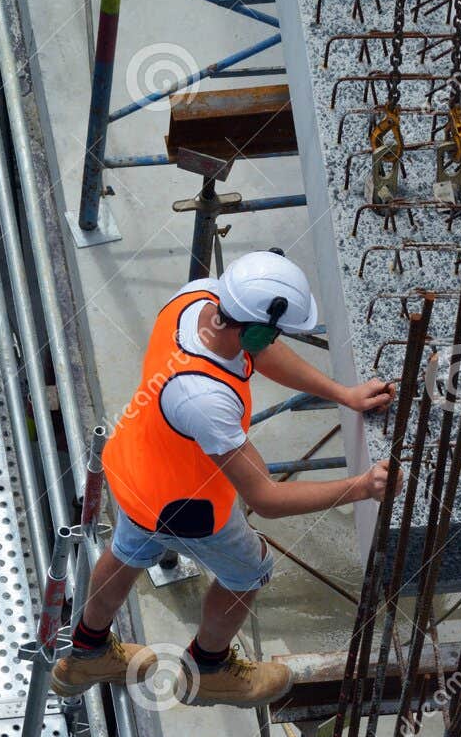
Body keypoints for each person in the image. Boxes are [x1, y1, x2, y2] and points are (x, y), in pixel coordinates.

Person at [51, 251, 395, 708]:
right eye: (270, 332)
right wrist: (363, 487)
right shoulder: (206, 398)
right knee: (248, 570)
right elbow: (266, 497)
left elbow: (262, 350)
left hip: (134, 463)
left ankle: (86, 653)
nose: (272, 340)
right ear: (253, 327)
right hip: (182, 505)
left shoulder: (198, 298)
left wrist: (342, 395)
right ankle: (208, 671)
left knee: (131, 549)